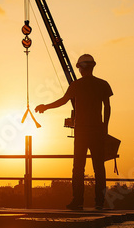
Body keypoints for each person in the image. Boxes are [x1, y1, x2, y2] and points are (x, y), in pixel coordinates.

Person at [36, 54, 113, 211]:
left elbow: (63, 100)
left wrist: (45, 107)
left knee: (78, 167)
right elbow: (107, 107)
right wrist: (105, 127)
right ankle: (100, 202)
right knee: (99, 167)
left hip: (82, 132)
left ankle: (77, 201)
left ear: (81, 68)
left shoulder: (76, 85)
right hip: (97, 130)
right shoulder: (102, 84)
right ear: (92, 66)